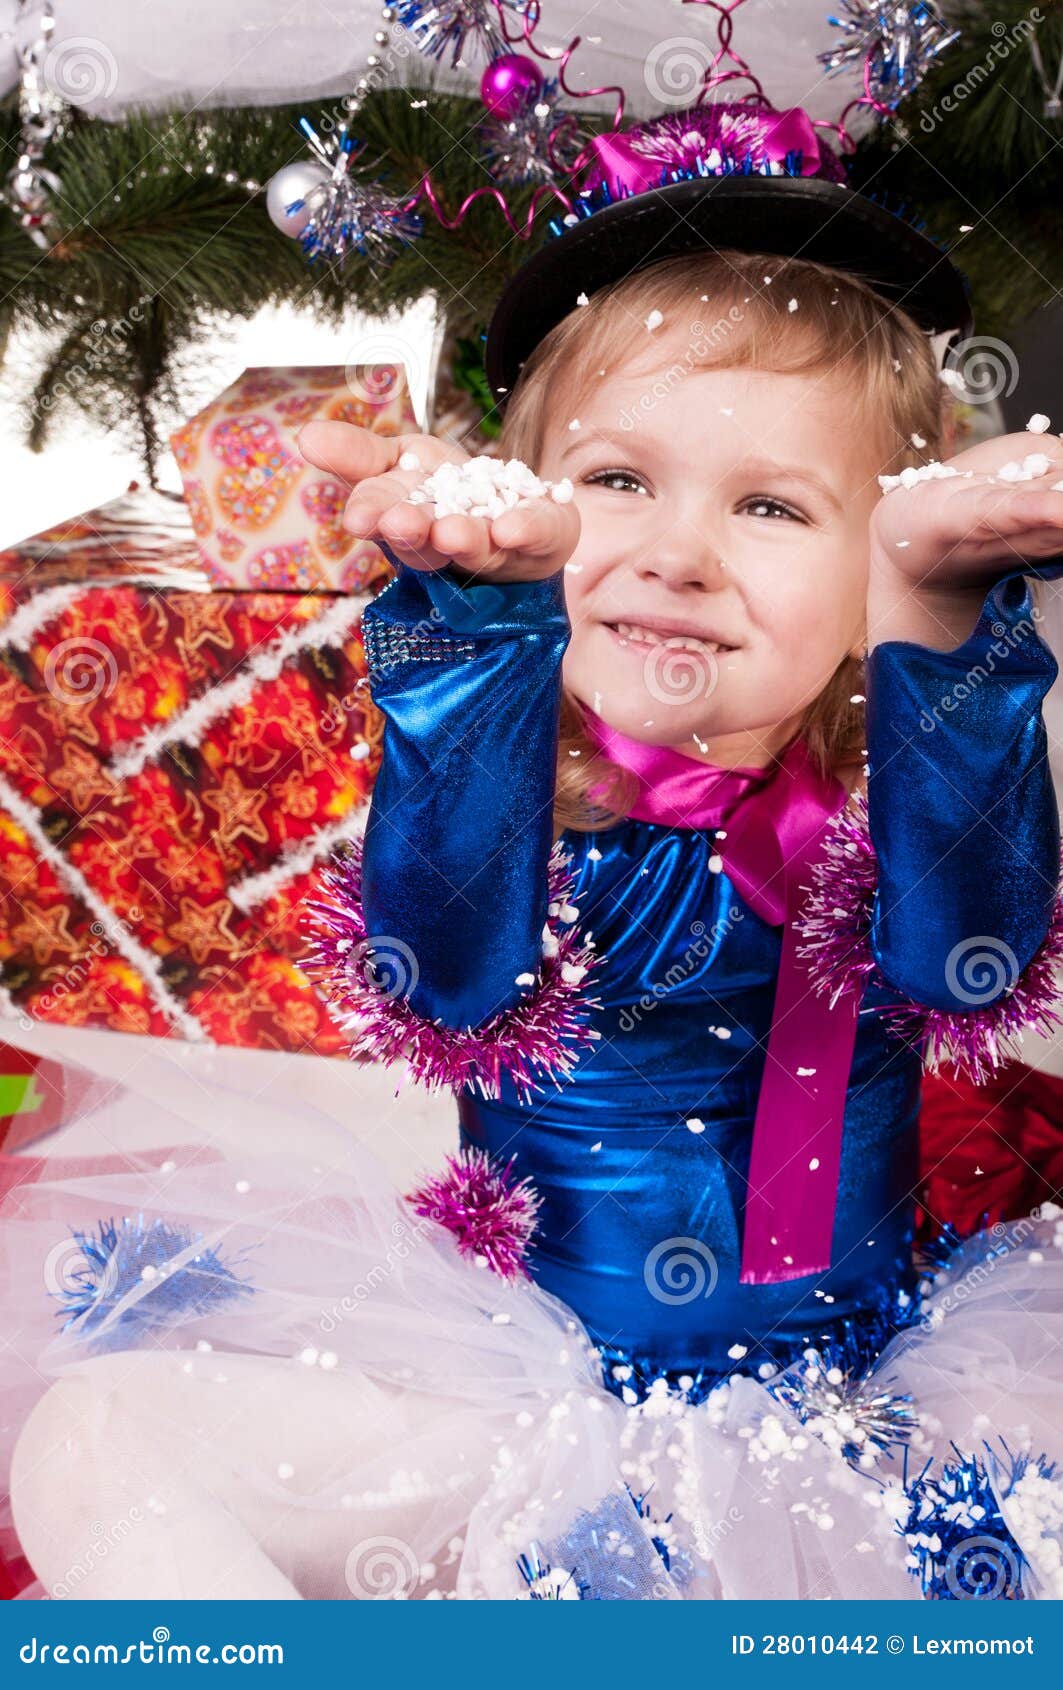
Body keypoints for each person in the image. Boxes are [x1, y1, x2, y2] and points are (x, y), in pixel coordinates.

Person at [3, 103, 1063, 1603]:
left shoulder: (885, 808)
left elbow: (975, 959)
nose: (676, 554)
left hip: (864, 1406)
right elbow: (441, 979)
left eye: (770, 505)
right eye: (619, 481)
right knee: (93, 1439)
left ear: (872, 567)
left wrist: (944, 633)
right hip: (525, 1395)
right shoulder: (524, 799)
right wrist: (484, 642)